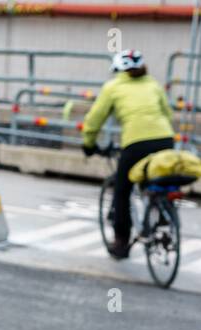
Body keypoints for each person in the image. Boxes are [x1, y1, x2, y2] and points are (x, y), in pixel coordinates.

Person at [81, 50, 176, 260]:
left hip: (135, 143)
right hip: (165, 139)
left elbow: (94, 119)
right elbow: (168, 115)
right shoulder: (153, 84)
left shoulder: (113, 87)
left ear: (118, 70)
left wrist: (89, 144)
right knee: (156, 180)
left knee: (122, 190)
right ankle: (161, 214)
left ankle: (121, 242)